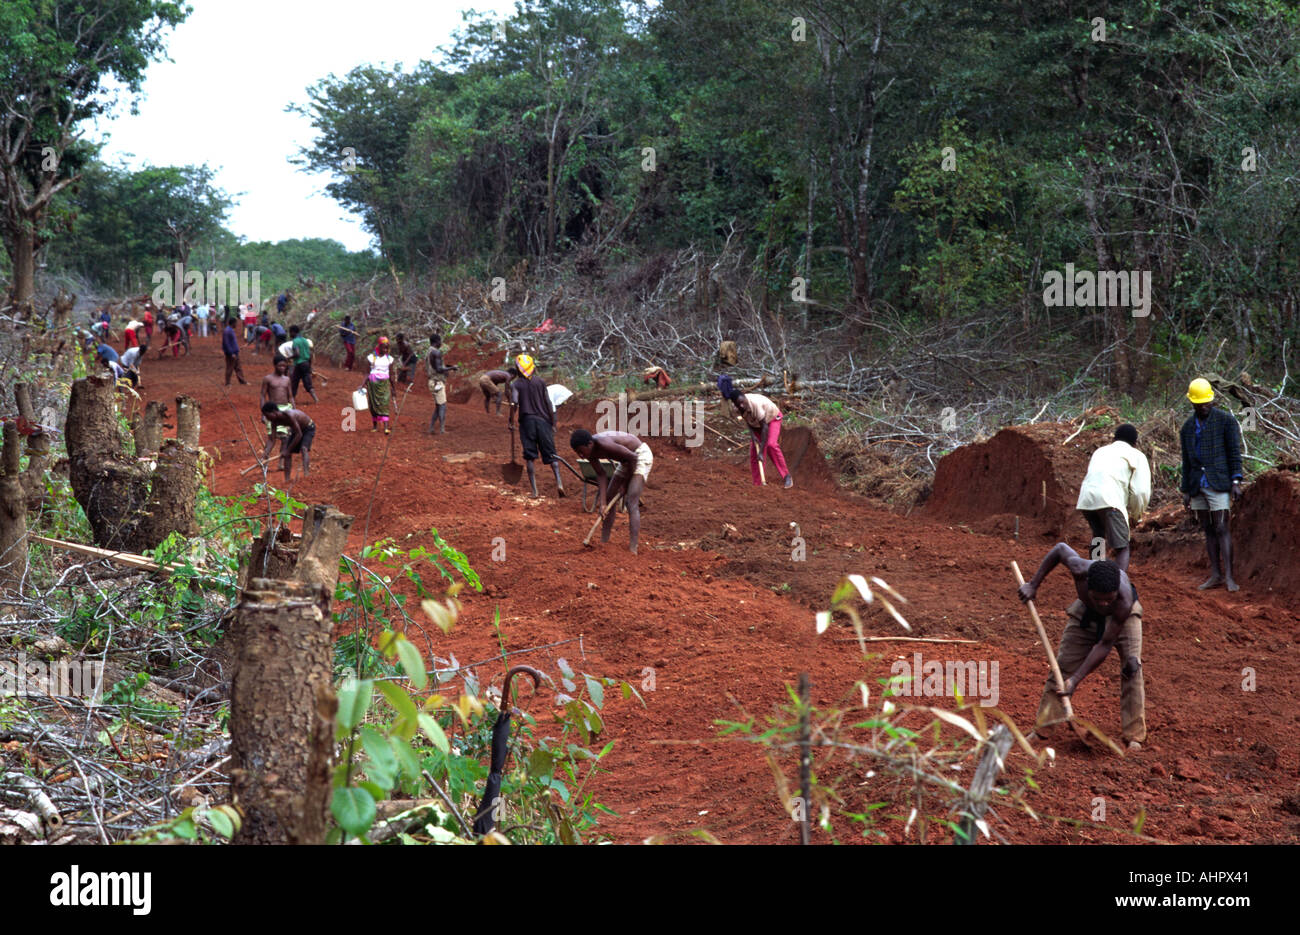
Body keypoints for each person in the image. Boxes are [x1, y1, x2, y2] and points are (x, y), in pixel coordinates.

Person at [1017, 544, 1145, 752]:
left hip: (1123, 620)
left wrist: (1076, 680)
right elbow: (1059, 549)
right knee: (1062, 667)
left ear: (1115, 594)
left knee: (1132, 667)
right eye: (1098, 598)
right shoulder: (1078, 568)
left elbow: (1104, 644)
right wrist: (1033, 584)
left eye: (1108, 600)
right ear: (1086, 584)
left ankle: (1134, 736)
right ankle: (1042, 729)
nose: (1104, 604)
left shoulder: (1124, 601)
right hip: (1085, 613)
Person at [1179, 378, 1244, 592]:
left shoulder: (1226, 421)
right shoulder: (1187, 428)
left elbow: (1234, 452)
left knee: (1222, 527)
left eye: (1208, 403)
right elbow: (1186, 461)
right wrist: (1186, 490)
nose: (1205, 407)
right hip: (1197, 483)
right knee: (1208, 530)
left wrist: (1236, 480)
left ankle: (1229, 577)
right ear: (1193, 404)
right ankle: (1215, 575)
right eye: (1200, 404)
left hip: (1219, 481)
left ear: (1213, 401)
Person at [1076, 424, 1151, 572]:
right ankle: (1118, 586)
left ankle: (1095, 577)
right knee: (1122, 547)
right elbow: (1140, 492)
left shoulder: (1100, 451)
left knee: (1098, 538)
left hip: (1086, 500)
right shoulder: (1137, 456)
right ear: (1135, 443)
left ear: (1114, 438)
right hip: (1111, 502)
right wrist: (1137, 515)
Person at [570, 429, 652, 554]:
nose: (581, 456)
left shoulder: (604, 443)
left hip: (639, 455)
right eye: (577, 453)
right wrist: (603, 503)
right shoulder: (589, 453)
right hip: (626, 461)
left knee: (631, 501)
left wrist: (625, 483)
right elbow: (601, 474)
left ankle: (633, 548)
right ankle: (604, 543)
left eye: (581, 451)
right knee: (609, 499)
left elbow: (633, 458)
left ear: (590, 444)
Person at [717, 374, 793, 488]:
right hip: (757, 425)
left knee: (771, 445)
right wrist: (753, 436)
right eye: (739, 405)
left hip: (772, 419)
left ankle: (787, 476)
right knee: (753, 452)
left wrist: (762, 451)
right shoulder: (739, 407)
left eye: (742, 402)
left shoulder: (755, 404)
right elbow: (748, 421)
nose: (742, 405)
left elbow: (765, 428)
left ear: (744, 396)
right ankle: (758, 483)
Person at [507, 354, 565, 498]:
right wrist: (553, 423)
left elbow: (514, 402)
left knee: (530, 456)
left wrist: (510, 419)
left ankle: (534, 491)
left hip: (527, 423)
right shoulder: (540, 382)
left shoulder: (517, 385)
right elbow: (548, 403)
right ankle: (559, 483)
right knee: (552, 454)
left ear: (518, 369)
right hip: (544, 421)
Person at [261, 403, 315, 484]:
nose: (267, 419)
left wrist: (287, 450)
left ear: (274, 412)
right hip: (296, 430)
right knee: (288, 454)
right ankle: (287, 480)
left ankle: (306, 476)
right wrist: (265, 454)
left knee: (304, 449)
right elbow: (272, 440)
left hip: (308, 427)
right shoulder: (274, 421)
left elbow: (299, 434)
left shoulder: (289, 415)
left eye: (268, 416)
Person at [425, 333, 458, 434]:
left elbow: (435, 366)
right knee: (442, 405)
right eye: (440, 341)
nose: (441, 343)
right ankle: (442, 429)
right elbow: (439, 369)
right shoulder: (436, 352)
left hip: (432, 381)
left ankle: (431, 428)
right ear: (437, 342)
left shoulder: (429, 351)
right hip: (437, 382)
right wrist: (452, 368)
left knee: (438, 406)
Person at [365, 337, 397, 433]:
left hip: (384, 384)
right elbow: (367, 373)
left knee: (384, 403)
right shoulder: (371, 358)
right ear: (379, 346)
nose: (385, 350)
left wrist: (394, 388)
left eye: (387, 348)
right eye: (383, 348)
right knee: (373, 404)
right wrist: (362, 384)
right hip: (373, 385)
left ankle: (386, 427)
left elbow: (391, 374)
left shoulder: (389, 359)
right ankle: (375, 426)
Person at [288, 325, 319, 404]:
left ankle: (292, 400)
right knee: (307, 382)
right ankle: (315, 399)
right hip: (306, 363)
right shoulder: (305, 340)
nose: (290, 335)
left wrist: (289, 358)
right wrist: (310, 366)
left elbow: (297, 354)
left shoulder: (295, 341)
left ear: (293, 332)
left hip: (299, 363)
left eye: (290, 333)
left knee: (294, 382)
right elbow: (309, 354)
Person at [223, 316, 247, 386]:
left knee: (238, 367)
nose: (236, 325)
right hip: (231, 354)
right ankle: (227, 383)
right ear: (233, 323)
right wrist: (231, 353)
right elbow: (226, 343)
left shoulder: (231, 330)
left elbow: (232, 342)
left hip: (235, 352)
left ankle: (242, 381)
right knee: (230, 368)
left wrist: (236, 349)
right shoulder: (227, 331)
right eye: (236, 323)